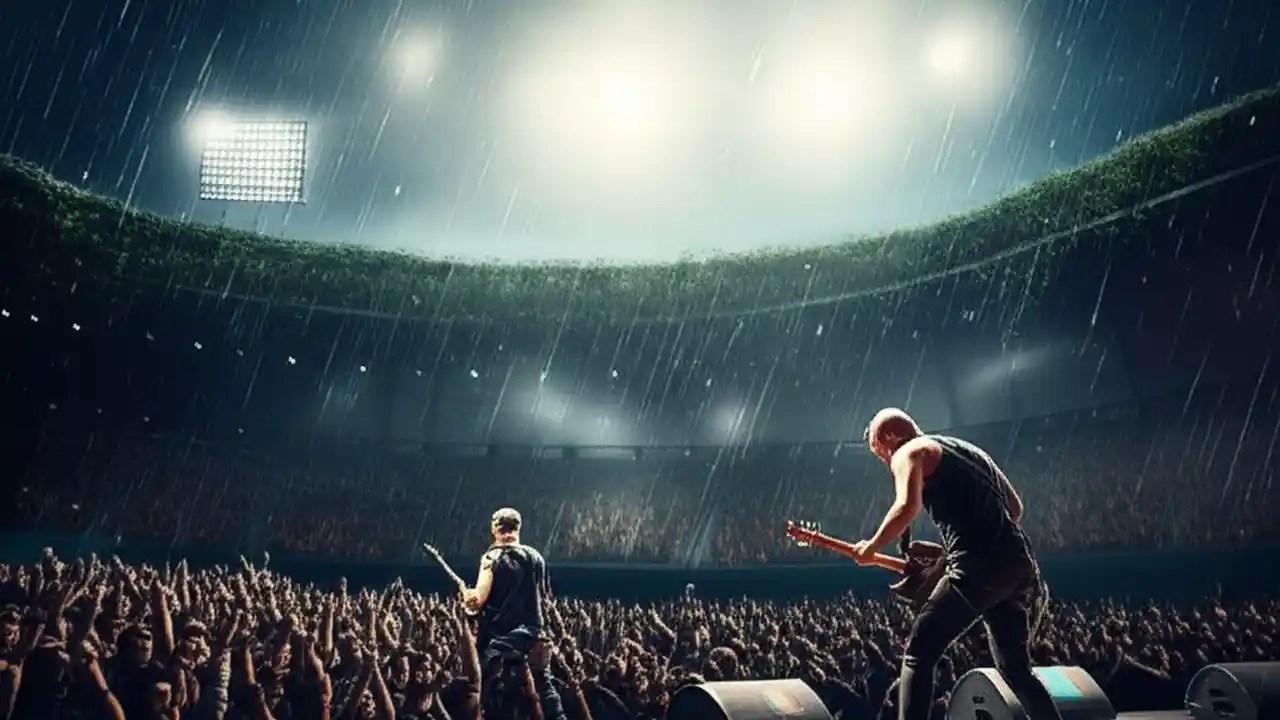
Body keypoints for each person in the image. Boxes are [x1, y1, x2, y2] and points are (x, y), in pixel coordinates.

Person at [849, 408, 1064, 720]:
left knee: (918, 656)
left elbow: (907, 505)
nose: (884, 460)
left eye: (878, 451)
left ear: (890, 437)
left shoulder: (908, 451)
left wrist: (871, 547)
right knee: (1016, 672)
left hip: (977, 567)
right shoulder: (968, 450)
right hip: (1018, 564)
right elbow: (1015, 508)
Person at [462, 507, 567, 720]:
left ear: (495, 528)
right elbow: (546, 598)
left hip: (500, 640)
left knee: (493, 692)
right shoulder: (537, 557)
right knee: (544, 687)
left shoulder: (491, 557)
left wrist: (467, 595)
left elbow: (477, 600)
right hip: (534, 636)